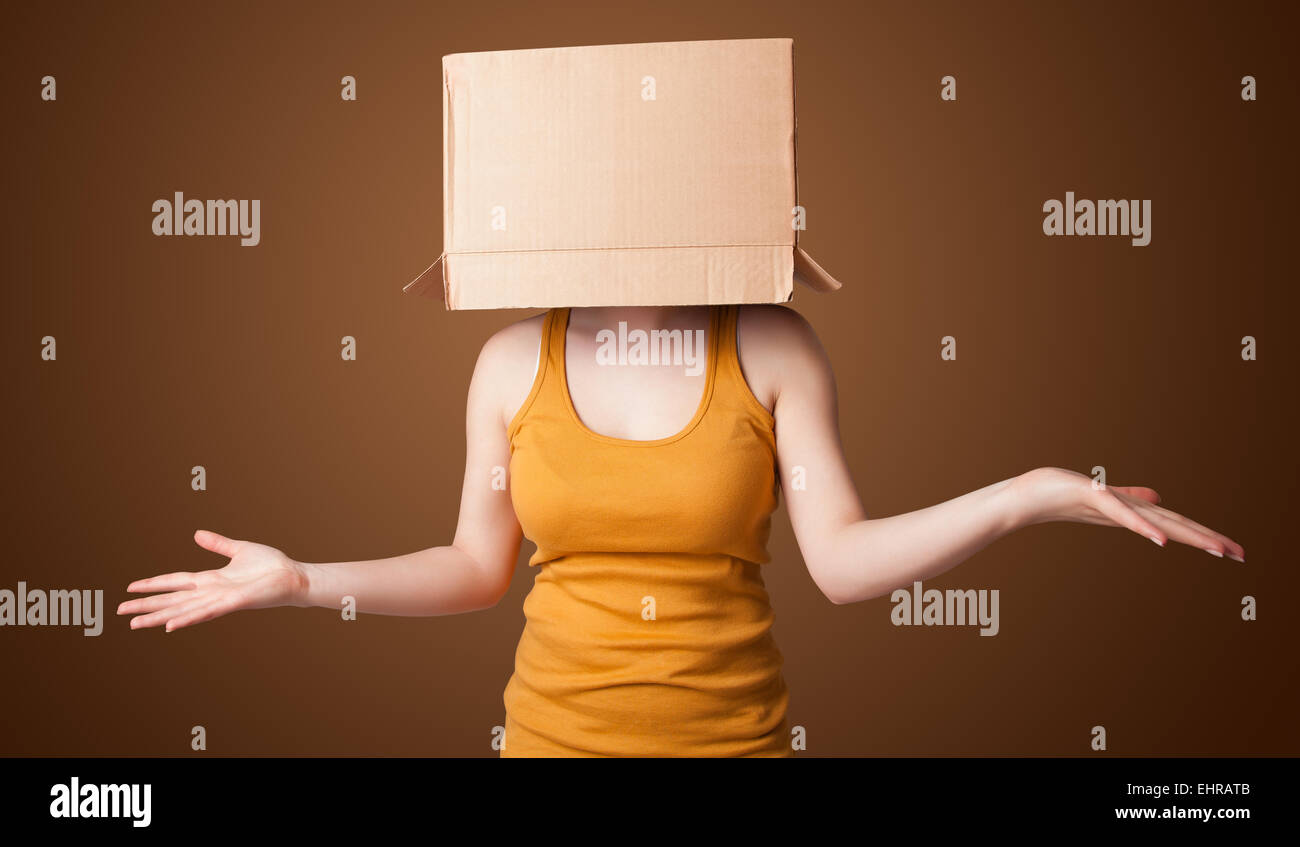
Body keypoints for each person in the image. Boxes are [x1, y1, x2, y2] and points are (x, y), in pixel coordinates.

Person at [117, 303, 1245, 757]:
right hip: (553, 748)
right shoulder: (513, 362)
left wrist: (1028, 495)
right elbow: (473, 566)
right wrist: (305, 579)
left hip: (733, 748)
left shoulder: (771, 345)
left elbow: (842, 565)